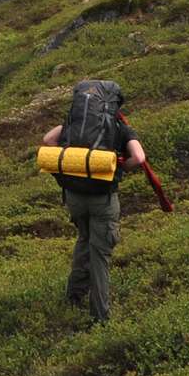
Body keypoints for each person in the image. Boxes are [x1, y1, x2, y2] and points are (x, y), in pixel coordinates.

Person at [41, 80, 145, 325]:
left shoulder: (73, 124)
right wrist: (120, 168)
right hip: (102, 199)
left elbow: (47, 141)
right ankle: (100, 316)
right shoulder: (119, 127)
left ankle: (74, 295)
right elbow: (139, 157)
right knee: (100, 255)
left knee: (84, 240)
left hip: (74, 197)